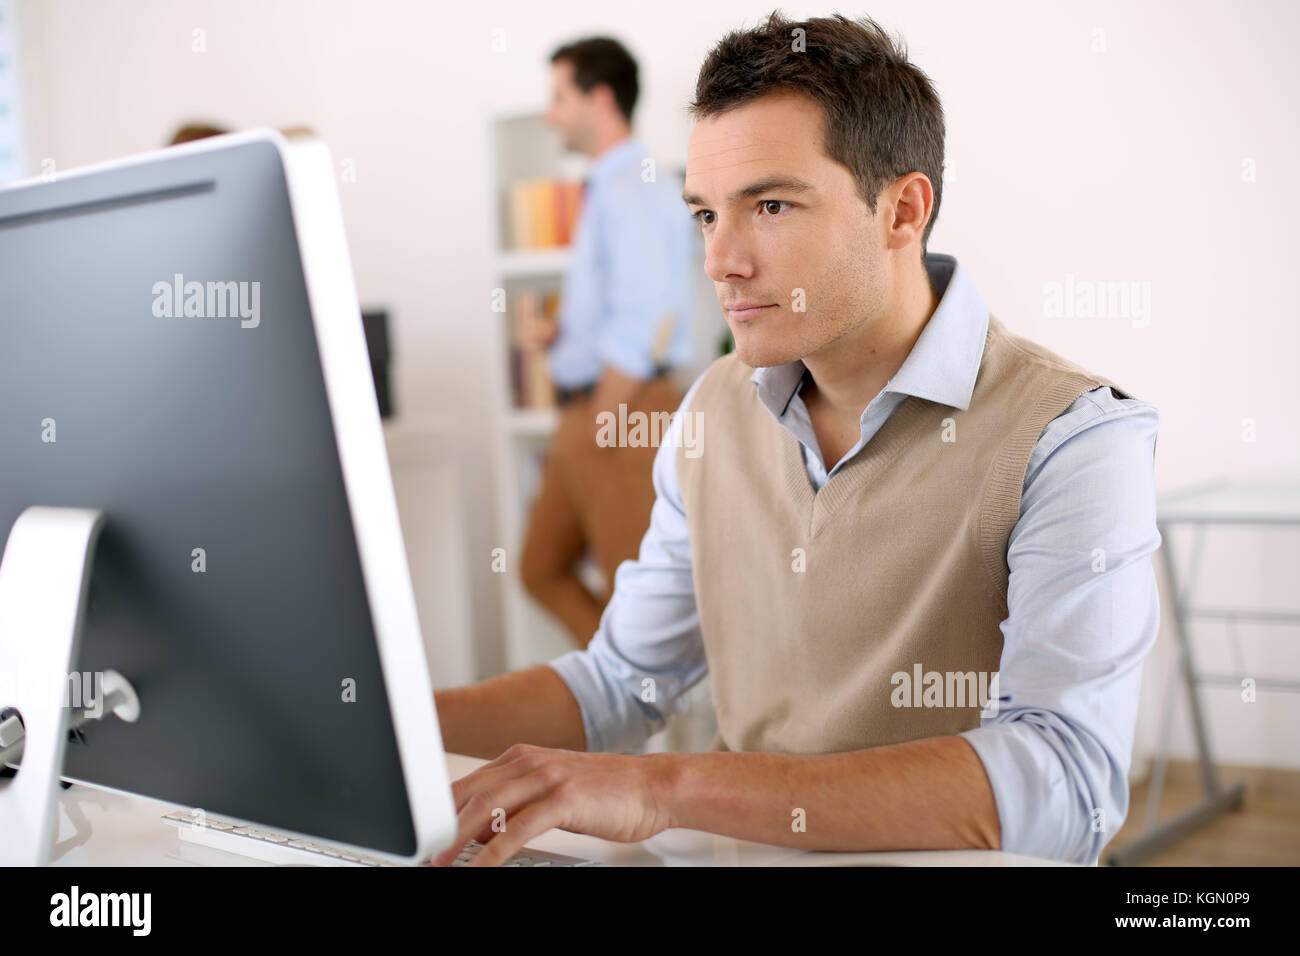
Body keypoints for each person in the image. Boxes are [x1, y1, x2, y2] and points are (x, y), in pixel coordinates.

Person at [432, 12, 1161, 867]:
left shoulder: (1073, 436)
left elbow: (1065, 784)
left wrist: (663, 788)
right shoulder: (711, 412)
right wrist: (367, 721)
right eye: (706, 214)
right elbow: (615, 687)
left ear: (902, 210)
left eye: (770, 206)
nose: (720, 260)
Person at [519, 37, 694, 648]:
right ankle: (622, 691)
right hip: (593, 410)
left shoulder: (633, 186)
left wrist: (604, 416)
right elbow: (627, 299)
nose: (549, 114)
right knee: (538, 569)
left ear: (599, 98)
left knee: (638, 601)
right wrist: (564, 334)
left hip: (621, 410)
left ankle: (638, 713)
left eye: (558, 96)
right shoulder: (611, 186)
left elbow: (650, 315)